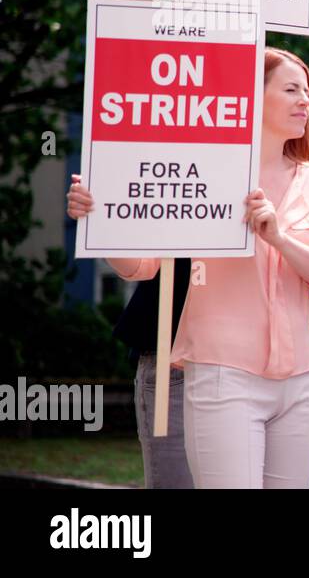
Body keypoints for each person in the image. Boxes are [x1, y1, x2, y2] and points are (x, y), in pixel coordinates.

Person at [75, 48, 309, 488]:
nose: (305, 102)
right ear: (251, 96)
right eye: (292, 90)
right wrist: (99, 222)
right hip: (223, 376)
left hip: (302, 382)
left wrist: (279, 237)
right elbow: (142, 266)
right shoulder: (202, 173)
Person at [67, 177, 192, 488]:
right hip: (170, 355)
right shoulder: (167, 174)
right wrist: (97, 216)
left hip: (241, 365)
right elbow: (142, 265)